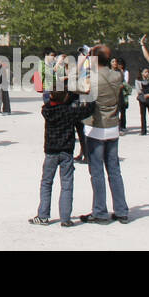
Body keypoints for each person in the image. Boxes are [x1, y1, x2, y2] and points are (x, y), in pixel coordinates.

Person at [30, 90, 97, 227]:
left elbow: (48, 102)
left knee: (46, 183)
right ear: (66, 97)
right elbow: (88, 109)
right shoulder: (69, 111)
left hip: (51, 151)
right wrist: (90, 96)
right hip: (66, 150)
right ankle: (65, 218)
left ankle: (43, 215)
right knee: (67, 184)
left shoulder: (47, 110)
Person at [79, 45, 130, 224]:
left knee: (97, 171)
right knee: (114, 170)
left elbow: (73, 85)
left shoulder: (90, 78)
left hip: (96, 126)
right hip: (112, 125)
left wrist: (83, 60)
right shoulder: (117, 75)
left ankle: (100, 211)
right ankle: (122, 210)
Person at [135, 67, 149, 135]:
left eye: (147, 72)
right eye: (145, 72)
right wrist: (144, 94)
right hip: (142, 99)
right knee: (143, 115)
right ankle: (143, 130)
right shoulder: (138, 80)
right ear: (142, 73)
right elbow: (138, 90)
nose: (147, 73)